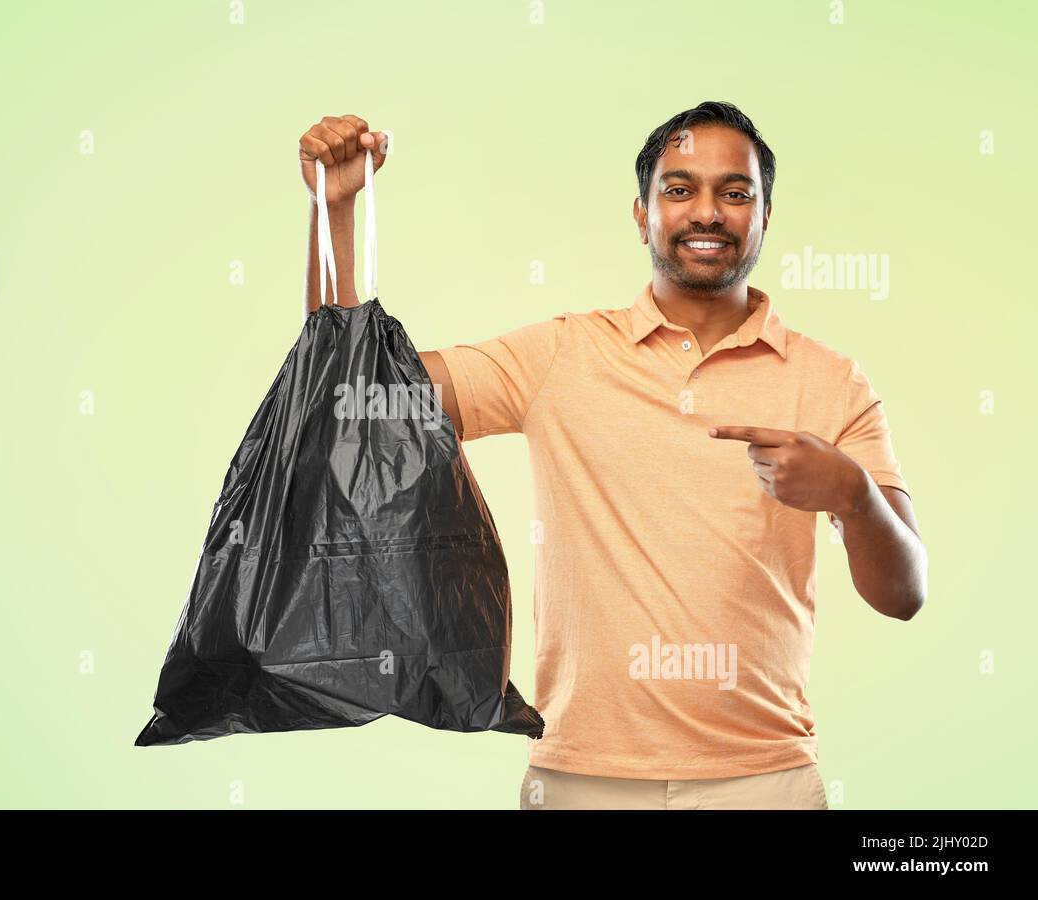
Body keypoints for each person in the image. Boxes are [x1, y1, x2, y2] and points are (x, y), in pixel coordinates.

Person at [295, 102, 927, 810]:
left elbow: (904, 594)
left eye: (735, 192)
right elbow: (349, 395)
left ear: (766, 215)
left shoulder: (832, 382)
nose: (708, 212)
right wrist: (334, 213)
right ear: (642, 214)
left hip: (764, 782)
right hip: (579, 780)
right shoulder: (562, 356)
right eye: (680, 189)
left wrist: (854, 498)